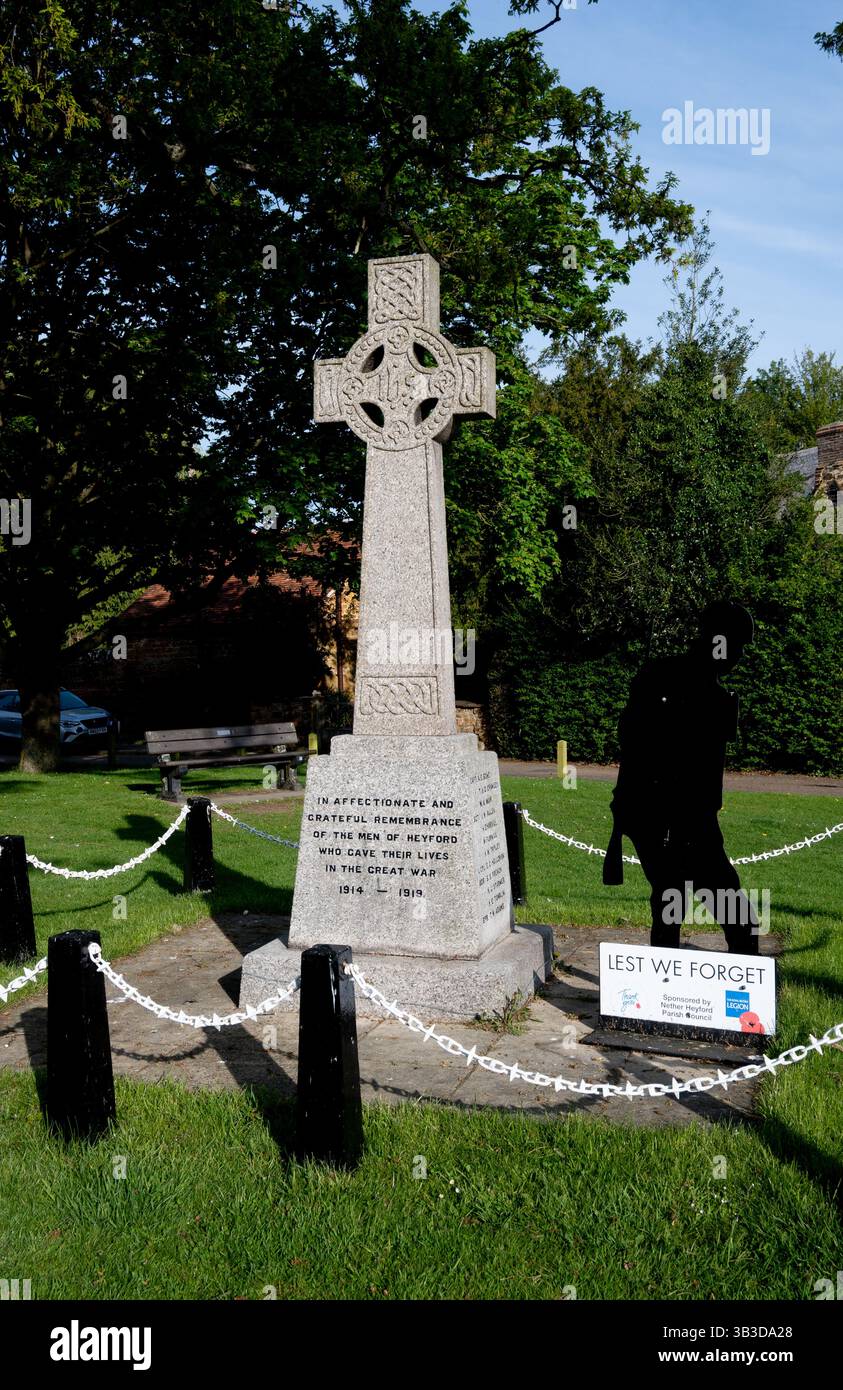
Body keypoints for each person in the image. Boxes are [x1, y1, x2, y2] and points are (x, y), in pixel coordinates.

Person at [603, 601, 759, 954]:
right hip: (671, 818)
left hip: (675, 817)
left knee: (673, 903)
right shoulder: (683, 684)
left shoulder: (677, 679)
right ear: (720, 642)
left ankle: (671, 983)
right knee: (713, 906)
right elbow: (642, 743)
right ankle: (740, 986)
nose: (738, 655)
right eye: (736, 645)